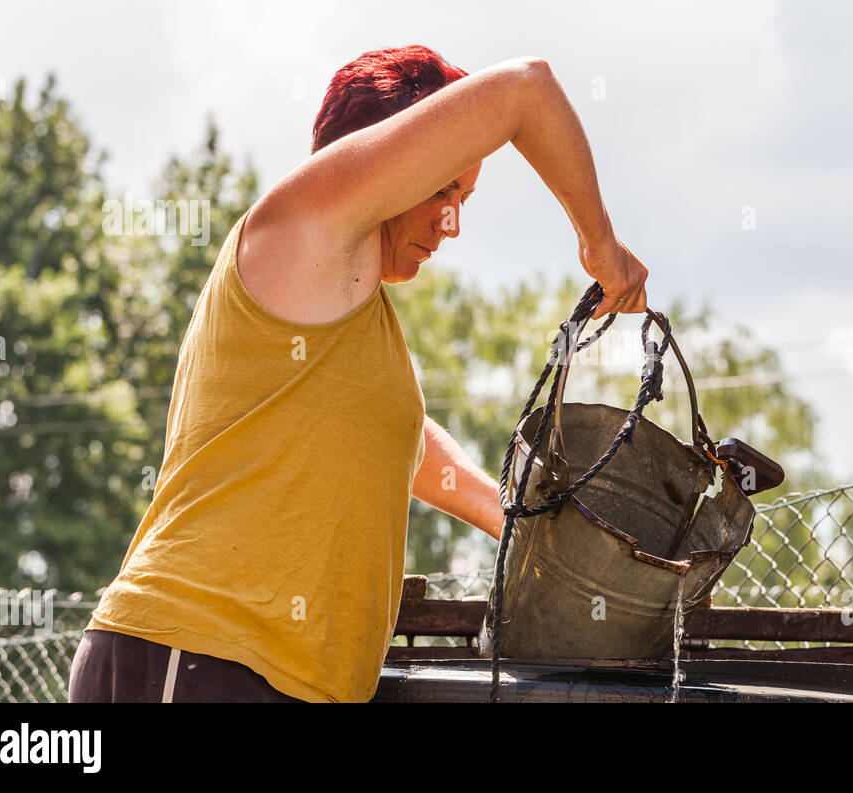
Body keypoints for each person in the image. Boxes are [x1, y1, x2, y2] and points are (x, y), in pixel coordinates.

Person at [67, 45, 649, 703]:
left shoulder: (342, 313)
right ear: (385, 157)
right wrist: (599, 244)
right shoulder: (304, 222)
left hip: (270, 676)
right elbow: (526, 89)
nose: (452, 223)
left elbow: (397, 439)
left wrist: (517, 517)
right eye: (443, 187)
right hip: (201, 655)